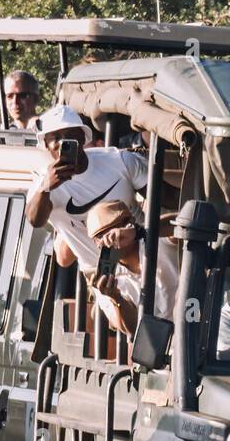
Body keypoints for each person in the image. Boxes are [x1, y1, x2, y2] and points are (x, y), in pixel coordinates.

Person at [25, 104, 147, 275]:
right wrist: (46, 187)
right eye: (56, 138)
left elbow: (162, 200)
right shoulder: (43, 183)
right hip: (102, 274)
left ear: (82, 137)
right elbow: (35, 220)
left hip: (146, 259)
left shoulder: (118, 160)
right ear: (46, 144)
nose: (63, 143)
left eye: (70, 136)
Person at [85, 200, 179, 336]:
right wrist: (117, 298)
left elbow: (188, 220)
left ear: (130, 221)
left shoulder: (157, 238)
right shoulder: (103, 282)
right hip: (171, 348)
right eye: (99, 236)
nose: (107, 240)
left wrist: (140, 231)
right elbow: (133, 330)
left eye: (112, 229)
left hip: (201, 316)